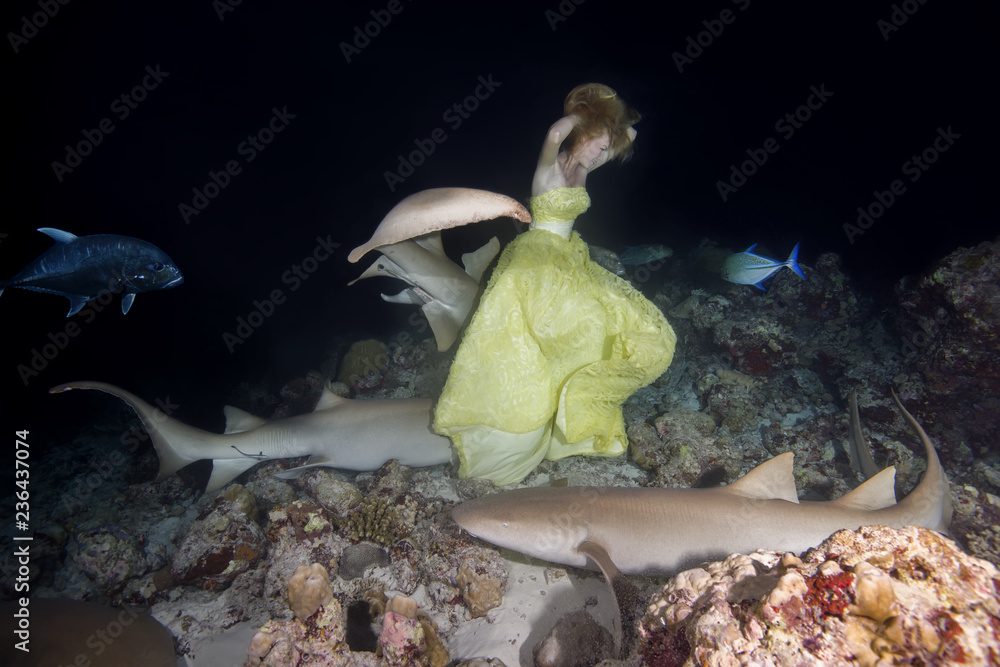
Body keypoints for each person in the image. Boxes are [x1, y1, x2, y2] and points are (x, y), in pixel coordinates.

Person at [433, 83, 676, 485]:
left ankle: (562, 429)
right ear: (580, 133)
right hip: (537, 258)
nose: (601, 155)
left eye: (603, 150)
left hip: (568, 256)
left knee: (622, 327)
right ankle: (511, 437)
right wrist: (587, 114)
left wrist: (611, 122)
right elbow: (553, 134)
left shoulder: (585, 167)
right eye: (597, 146)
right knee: (535, 340)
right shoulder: (552, 164)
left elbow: (630, 136)